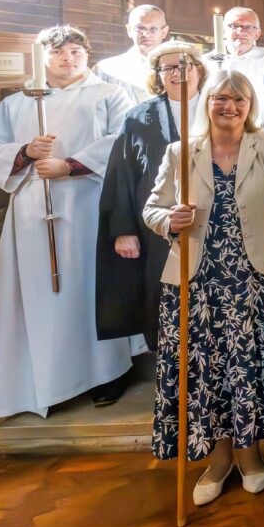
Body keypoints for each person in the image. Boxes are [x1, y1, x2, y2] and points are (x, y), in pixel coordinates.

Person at [143, 70, 264, 505]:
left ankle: (251, 457)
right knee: (205, 374)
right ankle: (218, 459)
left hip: (253, 282)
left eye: (239, 100)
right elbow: (152, 207)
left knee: (246, 371)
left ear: (251, 107)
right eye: (221, 98)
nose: (229, 106)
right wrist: (169, 219)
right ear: (206, 102)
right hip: (196, 283)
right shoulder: (181, 153)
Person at [0, 26, 134, 417]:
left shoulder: (108, 94)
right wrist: (25, 151)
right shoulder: (18, 103)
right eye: (60, 51)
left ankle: (105, 373)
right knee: (40, 292)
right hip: (33, 209)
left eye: (77, 50)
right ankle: (43, 379)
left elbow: (124, 141)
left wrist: (71, 165)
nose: (70, 58)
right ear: (43, 57)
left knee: (89, 286)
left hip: (88, 204)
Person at [95, 41, 208, 402]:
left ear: (199, 70)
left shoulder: (216, 106)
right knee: (164, 300)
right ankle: (173, 382)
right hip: (157, 227)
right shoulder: (140, 116)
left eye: (185, 65)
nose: (178, 73)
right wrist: (123, 229)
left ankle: (209, 379)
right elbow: (122, 175)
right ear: (158, 76)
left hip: (212, 224)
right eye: (168, 68)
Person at [95, 5, 171, 105]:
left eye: (153, 29)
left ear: (164, 32)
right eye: (140, 28)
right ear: (129, 30)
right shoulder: (106, 69)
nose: (146, 34)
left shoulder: (179, 68)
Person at [211, 7, 264, 115]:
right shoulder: (207, 62)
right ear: (223, 31)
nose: (240, 31)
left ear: (257, 34)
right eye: (234, 26)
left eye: (248, 27)